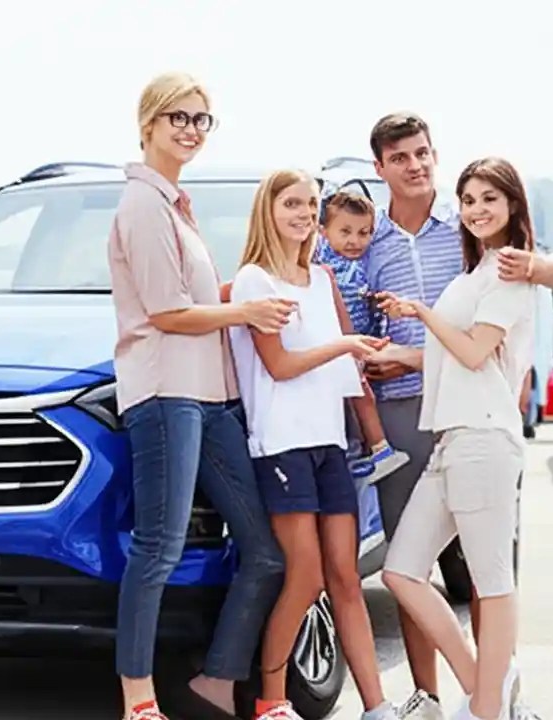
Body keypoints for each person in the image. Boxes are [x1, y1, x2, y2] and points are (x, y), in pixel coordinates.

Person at [355, 113, 553, 719]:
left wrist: (421, 315)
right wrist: (400, 351)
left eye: (489, 200)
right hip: (450, 435)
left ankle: (486, 706)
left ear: (512, 204)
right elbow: (458, 351)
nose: (475, 210)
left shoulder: (509, 267)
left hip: (483, 436)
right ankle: (485, 686)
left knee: (491, 578)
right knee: (401, 571)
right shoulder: (480, 266)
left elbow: (475, 351)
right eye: (470, 200)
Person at [106, 71, 289, 720]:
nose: (190, 129)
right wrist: (245, 313)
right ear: (148, 124)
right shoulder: (143, 205)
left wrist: (251, 296)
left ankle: (218, 678)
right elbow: (166, 312)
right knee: (159, 546)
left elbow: (195, 301)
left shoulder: (177, 206)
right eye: (177, 117)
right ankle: (138, 701)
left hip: (211, 398)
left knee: (264, 550)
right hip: (165, 394)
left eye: (200, 119)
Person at [227, 168, 396, 720]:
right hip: (283, 445)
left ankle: (376, 705)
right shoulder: (254, 282)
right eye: (292, 204)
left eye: (310, 204)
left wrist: (366, 357)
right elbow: (278, 366)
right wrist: (344, 345)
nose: (303, 214)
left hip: (330, 443)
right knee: (305, 576)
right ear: (268, 210)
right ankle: (271, 700)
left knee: (345, 576)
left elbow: (349, 358)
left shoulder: (322, 279)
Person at [312, 191, 410, 483]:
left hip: (360, 347)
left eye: (363, 233)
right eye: (345, 232)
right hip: (328, 348)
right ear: (323, 231)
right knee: (355, 396)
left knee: (361, 393)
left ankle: (377, 450)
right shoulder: (316, 261)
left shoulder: (370, 263)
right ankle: (372, 450)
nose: (355, 240)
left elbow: (377, 304)